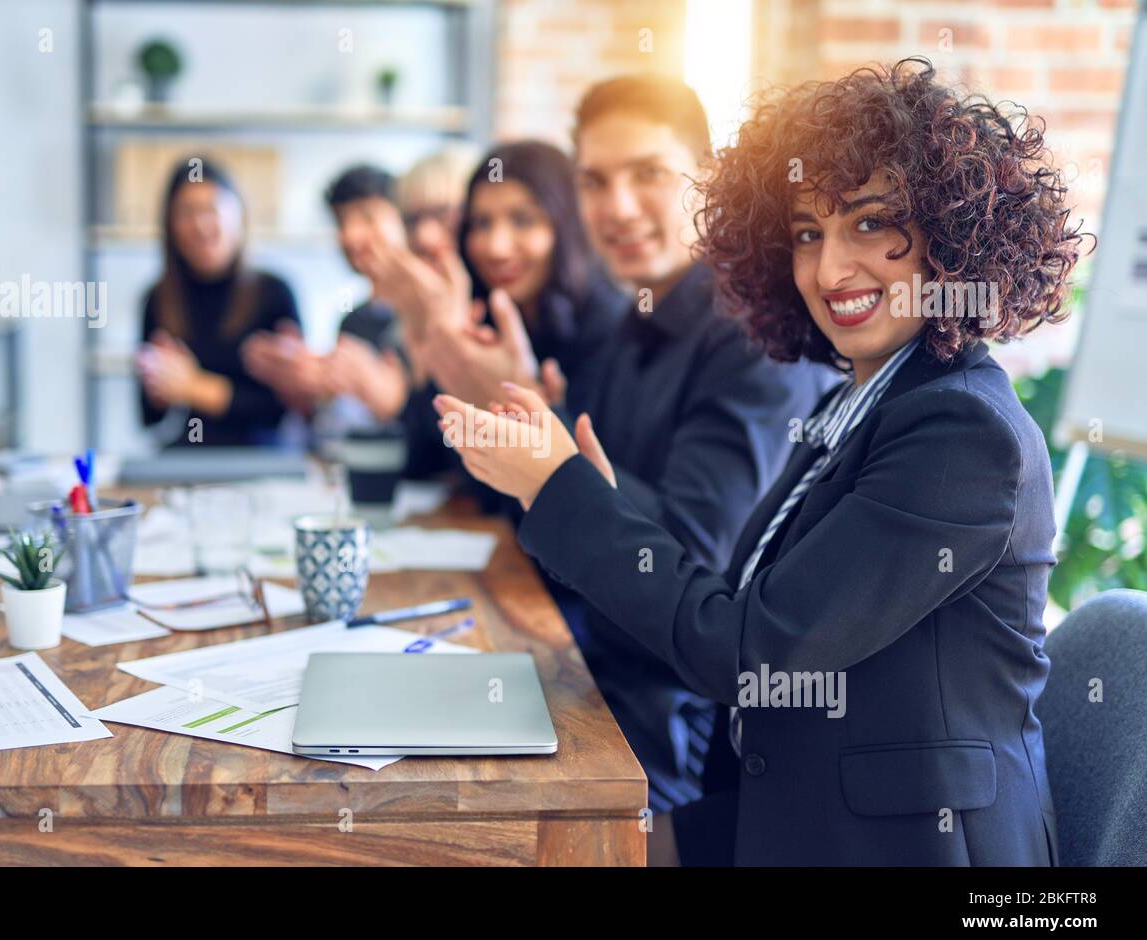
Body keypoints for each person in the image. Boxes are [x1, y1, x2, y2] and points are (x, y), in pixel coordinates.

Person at [437, 58, 1086, 865]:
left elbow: (752, 656)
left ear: (953, 234)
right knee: (514, 848)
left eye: (871, 224)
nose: (829, 269)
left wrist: (560, 490)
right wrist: (598, 495)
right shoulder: (860, 400)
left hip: (910, 847)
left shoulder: (961, 431)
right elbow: (748, 601)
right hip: (795, 806)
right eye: (809, 233)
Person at [546, 74, 836, 812]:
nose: (617, 208)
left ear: (708, 177)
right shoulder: (626, 318)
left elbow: (695, 555)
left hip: (683, 740)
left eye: (649, 174)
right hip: (600, 680)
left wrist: (559, 473)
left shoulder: (752, 336)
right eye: (594, 182)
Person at [361, 141, 627, 479]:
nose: (497, 248)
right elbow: (431, 463)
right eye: (482, 224)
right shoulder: (483, 317)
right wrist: (432, 349)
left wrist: (533, 406)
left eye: (523, 220)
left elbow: (604, 496)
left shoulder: (611, 327)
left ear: (566, 225)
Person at [136, 159, 305, 447]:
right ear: (170, 225)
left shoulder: (273, 292)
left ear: (238, 216)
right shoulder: (158, 299)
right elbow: (148, 418)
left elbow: (279, 410)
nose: (200, 225)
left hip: (262, 455)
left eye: (211, 210)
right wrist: (161, 387)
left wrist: (196, 387)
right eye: (186, 212)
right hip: (190, 452)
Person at [242, 164, 411, 431]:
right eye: (341, 222)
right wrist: (307, 387)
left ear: (406, 219)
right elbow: (346, 421)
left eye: (368, 217)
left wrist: (383, 393)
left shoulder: (430, 315)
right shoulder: (353, 320)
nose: (350, 235)